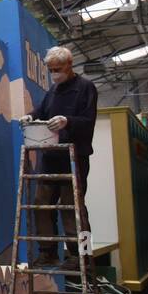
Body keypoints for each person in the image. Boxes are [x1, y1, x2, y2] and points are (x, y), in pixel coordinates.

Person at [21, 46, 98, 267]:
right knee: (41, 204)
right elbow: (41, 111)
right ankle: (47, 252)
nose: (55, 73)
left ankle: (82, 255)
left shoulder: (86, 88)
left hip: (74, 158)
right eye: (51, 70)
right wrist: (30, 116)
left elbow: (88, 121)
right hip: (51, 156)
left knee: (74, 208)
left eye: (58, 69)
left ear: (69, 65)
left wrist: (68, 121)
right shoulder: (53, 91)